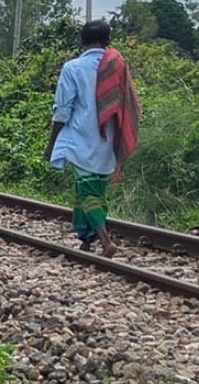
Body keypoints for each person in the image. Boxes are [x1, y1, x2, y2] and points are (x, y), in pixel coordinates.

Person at [44, 20, 141, 257]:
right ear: (108, 41)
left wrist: (52, 143)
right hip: (109, 140)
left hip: (81, 140)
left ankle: (105, 241)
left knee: (87, 192)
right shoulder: (117, 66)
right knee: (92, 190)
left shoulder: (72, 68)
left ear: (82, 42)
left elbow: (63, 111)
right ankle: (86, 241)